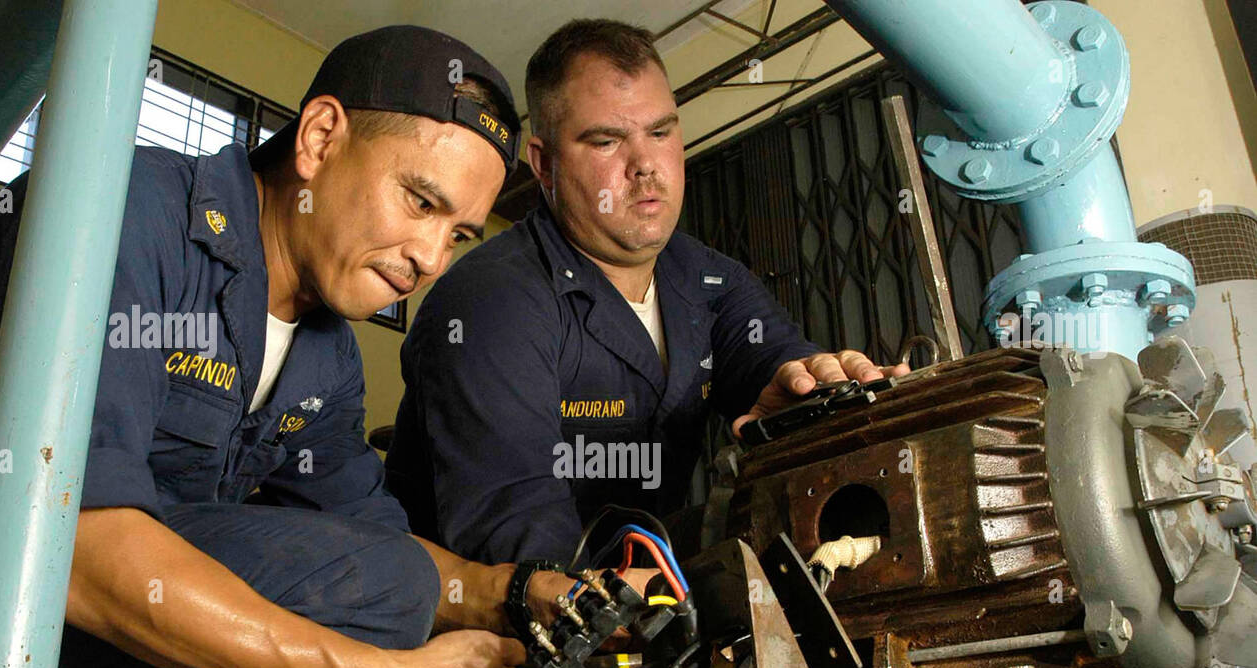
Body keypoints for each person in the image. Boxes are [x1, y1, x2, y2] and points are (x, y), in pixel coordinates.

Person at [0, 26, 598, 668]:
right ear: (321, 138)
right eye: (420, 202)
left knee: (400, 587)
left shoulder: (326, 357)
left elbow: (378, 542)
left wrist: (514, 595)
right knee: (393, 604)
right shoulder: (120, 208)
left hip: (72, 660)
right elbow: (69, 553)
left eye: (459, 235)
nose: (429, 259)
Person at [387, 18, 908, 567]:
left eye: (660, 133)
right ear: (544, 164)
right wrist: (644, 600)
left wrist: (818, 390)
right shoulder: (490, 302)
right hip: (489, 611)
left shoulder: (710, 279)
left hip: (647, 590)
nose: (645, 167)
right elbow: (517, 537)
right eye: (606, 141)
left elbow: (774, 362)